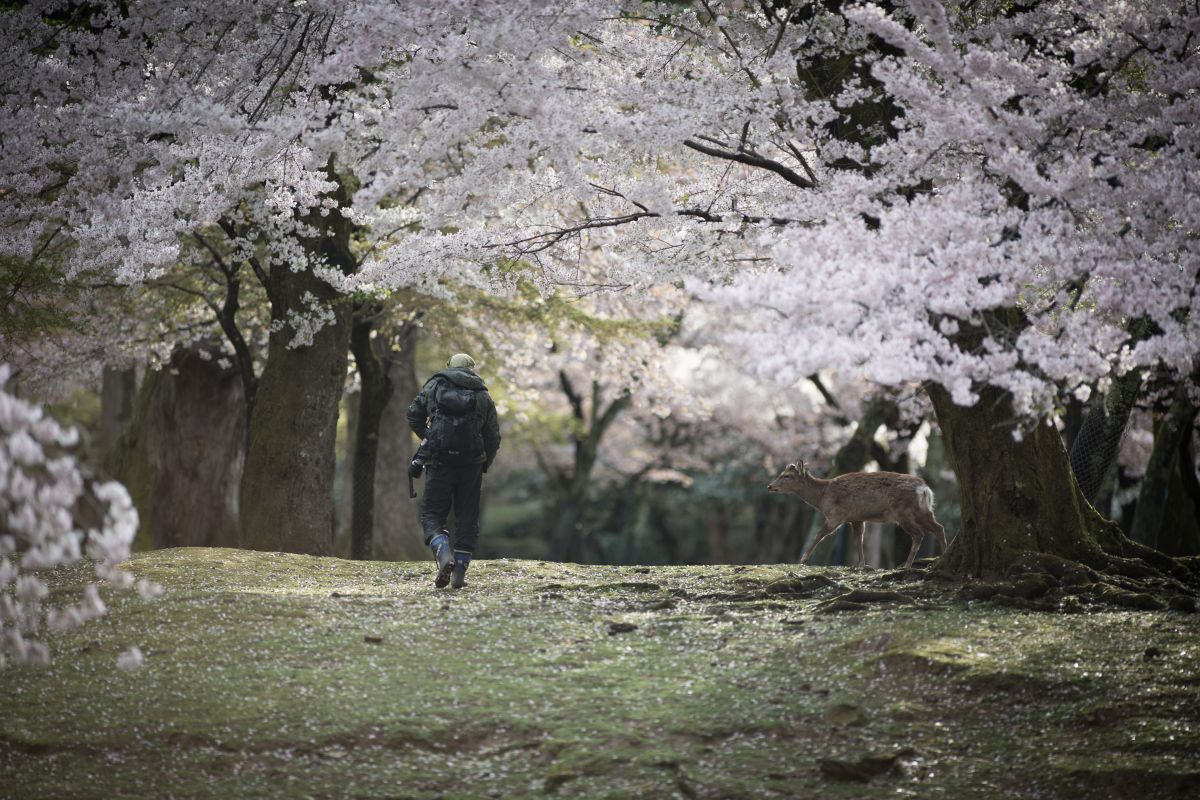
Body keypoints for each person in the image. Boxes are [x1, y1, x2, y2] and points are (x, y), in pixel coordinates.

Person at [406, 353, 500, 588]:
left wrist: (430, 438)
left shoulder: (434, 386)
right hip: (471, 465)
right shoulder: (482, 395)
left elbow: (412, 414)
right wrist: (483, 463)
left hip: (439, 461)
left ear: (449, 366)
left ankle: (442, 551)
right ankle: (459, 572)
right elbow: (493, 436)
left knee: (432, 513)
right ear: (472, 369)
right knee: (467, 515)